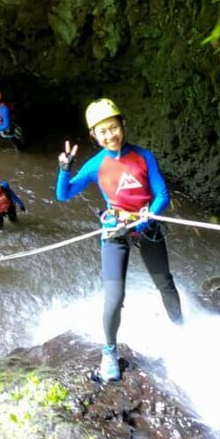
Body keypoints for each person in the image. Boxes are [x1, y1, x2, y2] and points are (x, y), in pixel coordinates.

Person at [55, 98, 183, 383]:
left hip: (146, 227)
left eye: (113, 127)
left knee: (165, 282)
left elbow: (162, 196)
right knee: (114, 299)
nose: (110, 135)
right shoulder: (94, 165)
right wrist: (64, 169)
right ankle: (109, 352)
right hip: (115, 233)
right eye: (103, 131)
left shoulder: (144, 156)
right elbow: (64, 195)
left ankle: (180, 325)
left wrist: (146, 217)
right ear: (94, 136)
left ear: (123, 124)